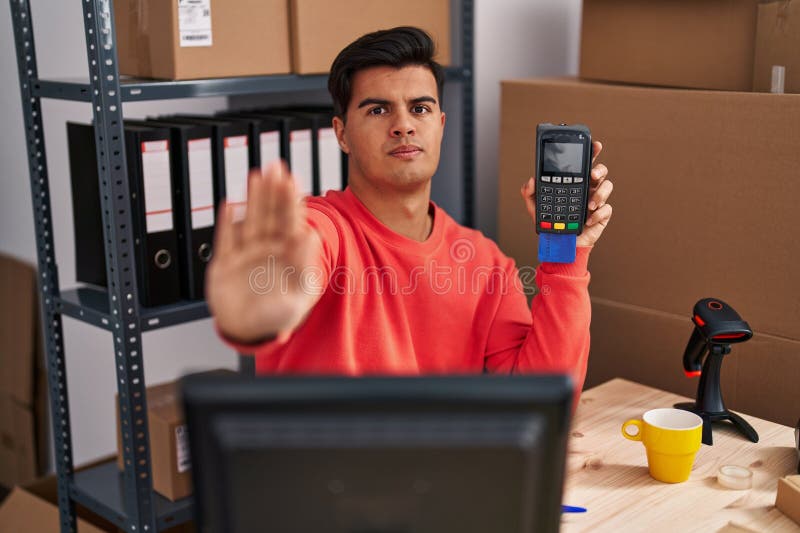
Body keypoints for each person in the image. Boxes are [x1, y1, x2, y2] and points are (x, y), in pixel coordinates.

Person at [206, 27, 613, 399]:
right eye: (378, 110)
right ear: (342, 134)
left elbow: (543, 397)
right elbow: (298, 261)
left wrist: (566, 254)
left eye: (419, 108)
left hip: (437, 476)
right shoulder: (320, 227)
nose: (403, 125)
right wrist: (258, 309)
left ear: (440, 124)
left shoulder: (486, 263)